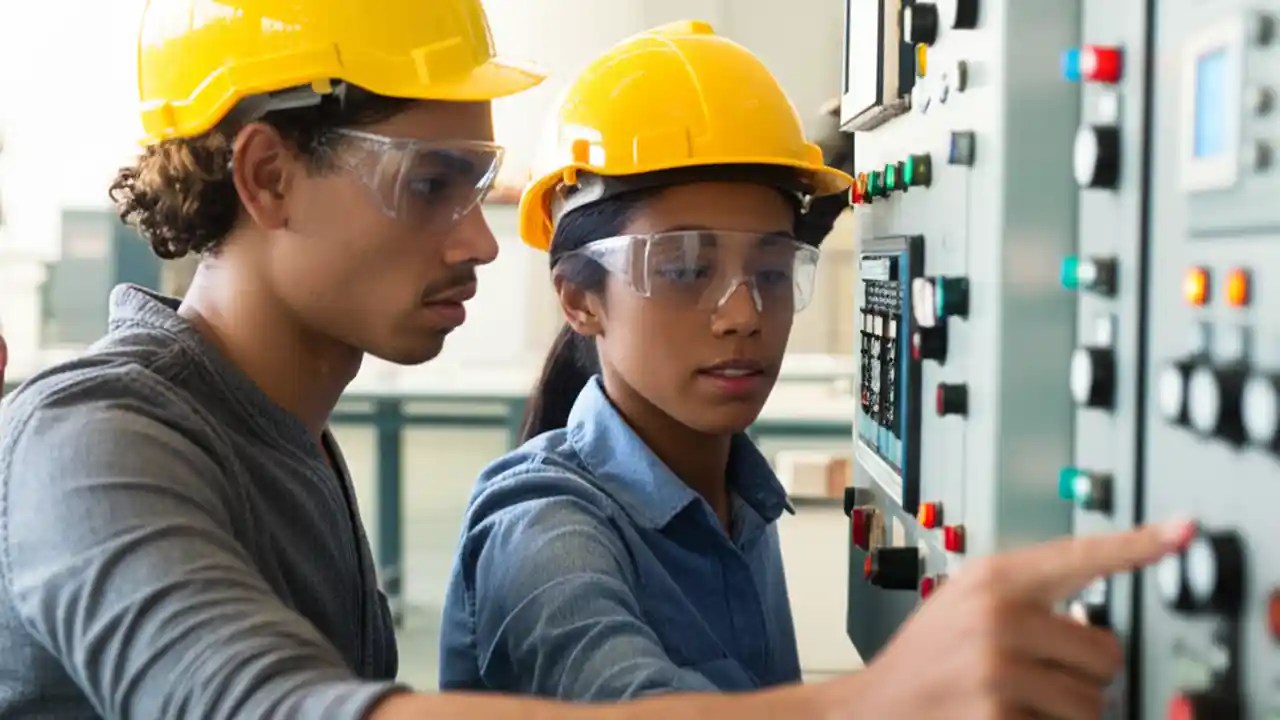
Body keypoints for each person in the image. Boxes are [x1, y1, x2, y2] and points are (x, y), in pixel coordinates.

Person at [0, 1, 1192, 718]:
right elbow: (260, 708)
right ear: (266, 175)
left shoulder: (288, 442)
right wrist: (872, 701)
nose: (479, 239)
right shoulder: (91, 434)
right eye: (432, 183)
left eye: (475, 185)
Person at [438, 20, 1193, 716]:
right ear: (580, 299)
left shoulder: (734, 495)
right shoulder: (541, 526)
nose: (743, 313)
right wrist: (883, 695)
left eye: (771, 270)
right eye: (686, 268)